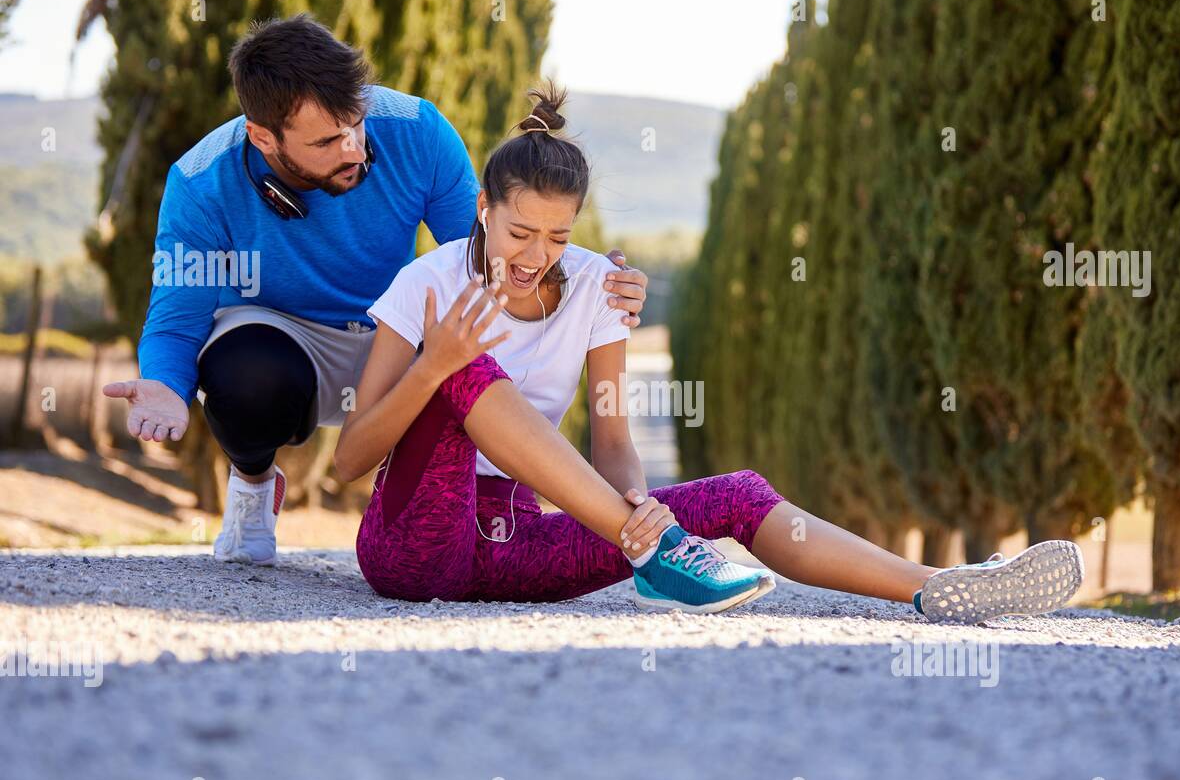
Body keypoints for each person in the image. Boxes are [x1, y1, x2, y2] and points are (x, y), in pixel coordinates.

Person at [336, 84, 1086, 623]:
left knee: (738, 493)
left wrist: (636, 507)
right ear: (482, 210)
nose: (536, 255)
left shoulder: (601, 287)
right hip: (416, 547)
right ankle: (663, 551)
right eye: (518, 233)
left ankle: (934, 585)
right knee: (466, 364)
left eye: (558, 237)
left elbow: (613, 442)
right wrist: (433, 366)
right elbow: (350, 458)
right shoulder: (427, 283)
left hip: (520, 546)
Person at [100, 15, 653, 567]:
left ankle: (559, 524)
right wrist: (165, 383)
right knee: (243, 377)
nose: (354, 150)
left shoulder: (418, 129)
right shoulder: (199, 182)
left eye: (356, 125)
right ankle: (253, 484)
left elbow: (489, 257)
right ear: (263, 137)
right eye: (326, 141)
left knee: (466, 357)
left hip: (402, 332)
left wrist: (585, 277)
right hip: (286, 338)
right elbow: (177, 317)